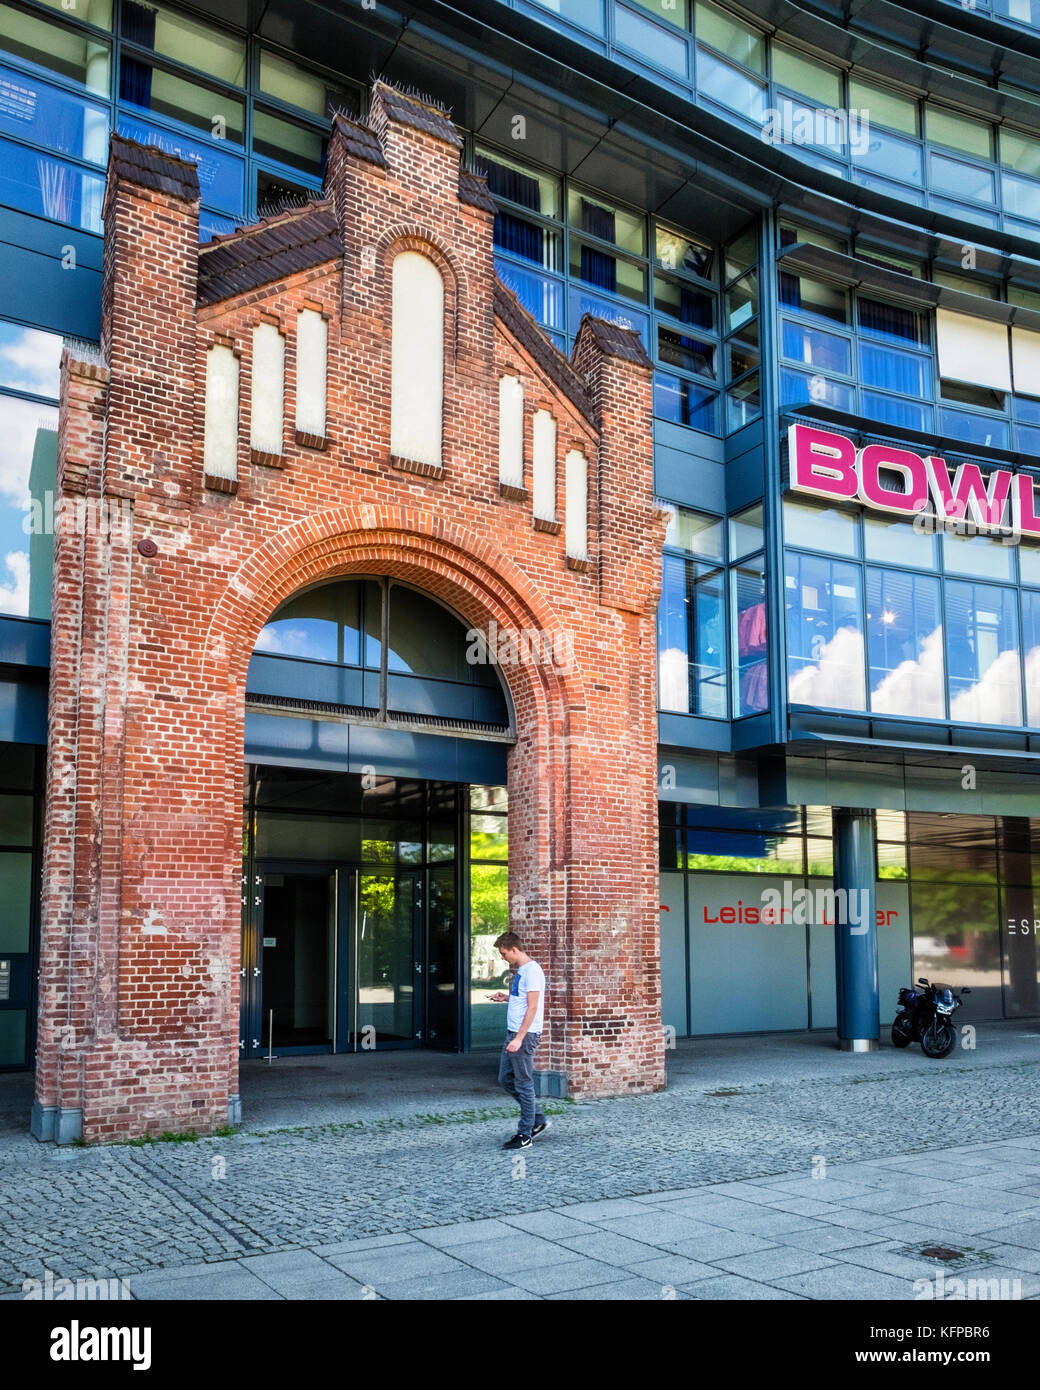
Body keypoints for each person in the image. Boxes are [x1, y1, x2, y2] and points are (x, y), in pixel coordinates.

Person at [490, 931, 550, 1150]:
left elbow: (533, 1007)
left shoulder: (533, 971)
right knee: (505, 1079)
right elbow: (523, 1000)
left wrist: (519, 1038)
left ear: (514, 949)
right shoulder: (522, 971)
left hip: (523, 1037)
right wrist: (506, 997)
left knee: (524, 1084)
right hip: (513, 1034)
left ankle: (525, 1135)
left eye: (504, 954)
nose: (503, 958)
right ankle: (538, 1119)